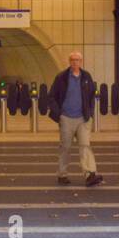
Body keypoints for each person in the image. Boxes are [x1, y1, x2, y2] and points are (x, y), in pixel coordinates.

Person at [48, 51, 104, 187]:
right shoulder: (61, 77)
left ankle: (90, 174)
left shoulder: (86, 77)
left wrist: (89, 112)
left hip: (82, 119)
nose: (75, 62)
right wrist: (59, 114)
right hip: (66, 118)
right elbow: (51, 96)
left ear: (81, 61)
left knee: (85, 146)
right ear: (69, 61)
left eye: (77, 60)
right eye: (72, 60)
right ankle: (62, 174)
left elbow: (91, 95)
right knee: (65, 147)